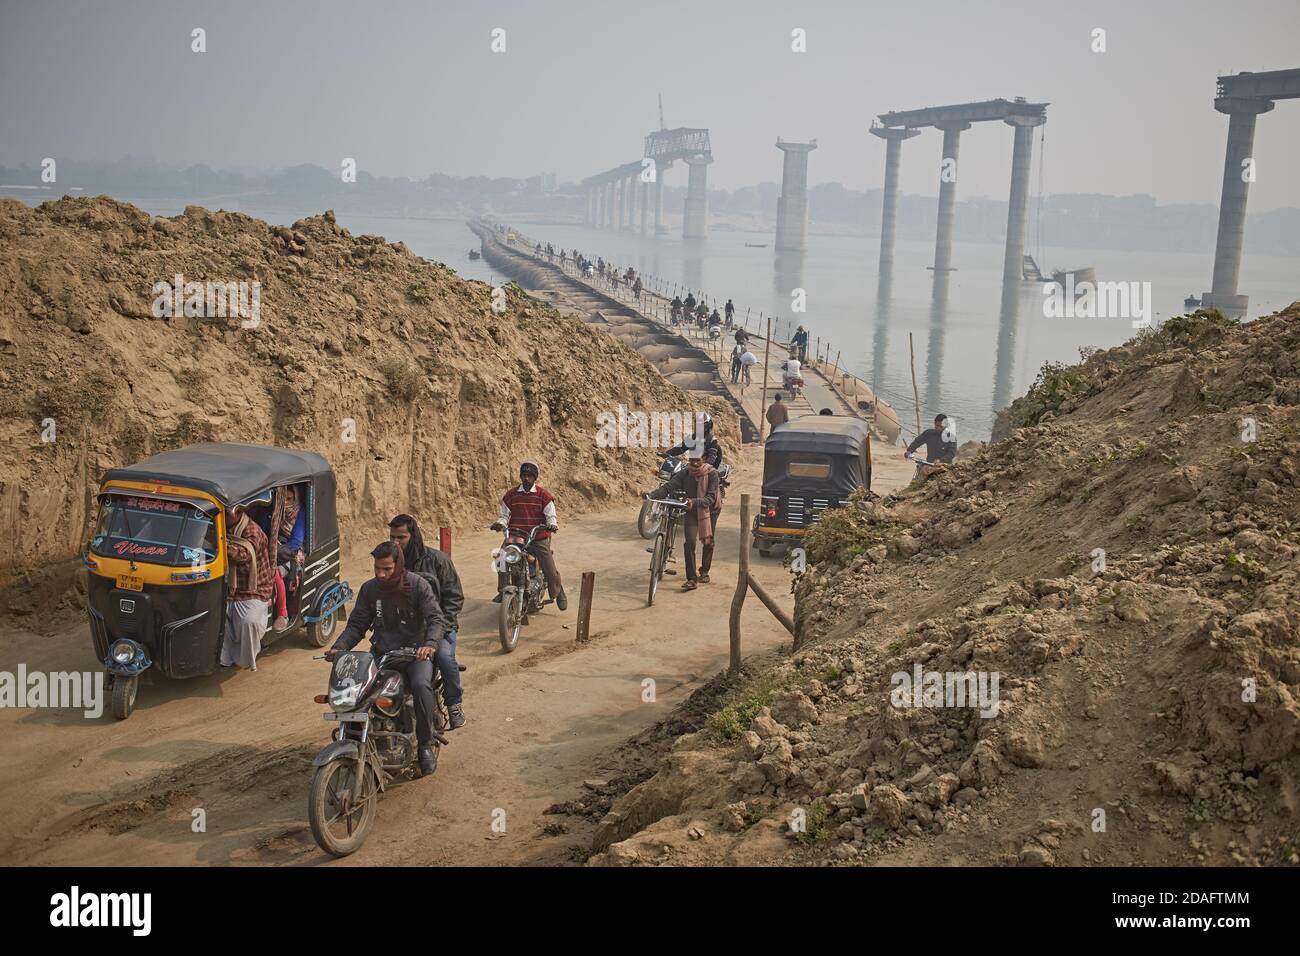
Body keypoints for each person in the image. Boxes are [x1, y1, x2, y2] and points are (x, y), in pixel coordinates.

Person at [326, 542, 447, 776]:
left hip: (414, 655)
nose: (381, 574)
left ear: (399, 565)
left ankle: (424, 744)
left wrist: (429, 645)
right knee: (357, 692)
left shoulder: (418, 585)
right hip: (382, 656)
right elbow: (357, 625)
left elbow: (435, 619)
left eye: (387, 569)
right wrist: (339, 647)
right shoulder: (370, 590)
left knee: (421, 686)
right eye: (377, 569)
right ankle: (355, 742)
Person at [389, 514, 466, 729]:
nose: (396, 543)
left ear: (413, 536)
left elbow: (454, 598)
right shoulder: (391, 563)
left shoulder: (438, 560)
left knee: (442, 655)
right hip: (406, 630)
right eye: (392, 537)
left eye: (401, 537)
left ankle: (454, 704)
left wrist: (440, 627)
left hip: (439, 627)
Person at [493, 460, 566, 610]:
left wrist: (552, 525)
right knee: (501, 557)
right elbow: (504, 515)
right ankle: (504, 590)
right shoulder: (511, 495)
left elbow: (550, 516)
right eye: (524, 475)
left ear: (535, 478)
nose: (526, 478)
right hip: (516, 536)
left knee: (549, 568)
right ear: (520, 477)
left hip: (537, 537)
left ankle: (558, 591)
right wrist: (500, 523)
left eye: (529, 476)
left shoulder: (543, 495)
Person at [645, 447, 718, 589]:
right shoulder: (684, 473)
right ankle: (691, 579)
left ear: (703, 459)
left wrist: (694, 502)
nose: (695, 463)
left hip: (709, 511)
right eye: (692, 460)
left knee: (708, 541)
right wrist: (651, 495)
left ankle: (704, 571)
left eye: (698, 460)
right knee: (689, 542)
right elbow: (668, 487)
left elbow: (710, 498)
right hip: (690, 510)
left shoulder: (712, 474)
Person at [220, 504, 274, 671]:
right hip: (229, 588)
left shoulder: (252, 531)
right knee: (219, 619)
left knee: (247, 622)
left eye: (226, 514)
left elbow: (243, 554)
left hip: (255, 589)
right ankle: (224, 659)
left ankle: (245, 660)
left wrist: (219, 543)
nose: (223, 517)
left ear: (237, 513)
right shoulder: (222, 527)